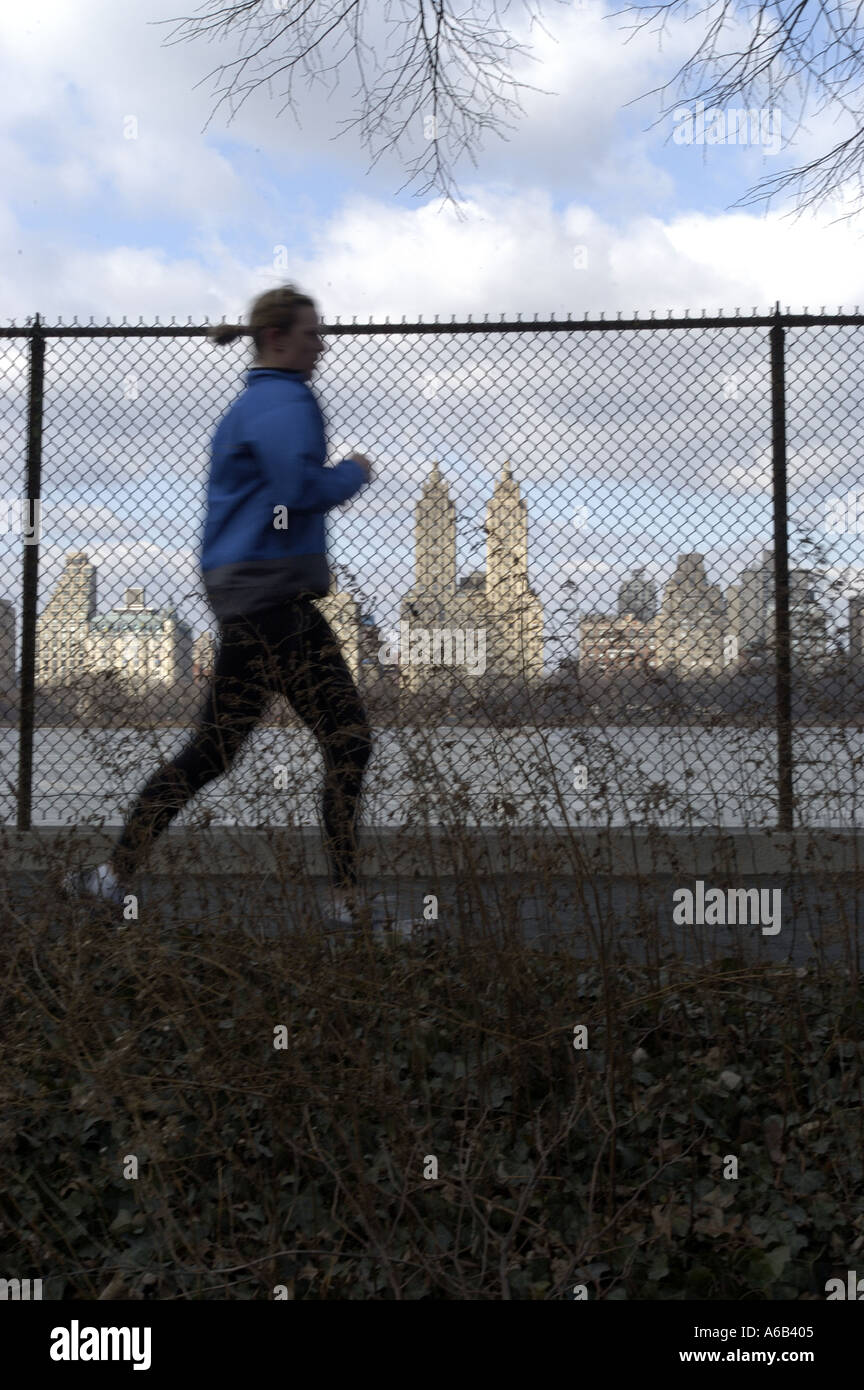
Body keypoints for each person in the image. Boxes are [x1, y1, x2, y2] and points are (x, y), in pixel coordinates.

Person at [65, 283, 386, 929]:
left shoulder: (255, 402)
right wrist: (355, 470)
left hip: (251, 600)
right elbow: (296, 489)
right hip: (274, 601)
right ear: (277, 339)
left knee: (212, 752)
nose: (321, 345)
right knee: (348, 739)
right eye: (311, 333)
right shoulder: (283, 400)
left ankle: (110, 876)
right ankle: (345, 902)